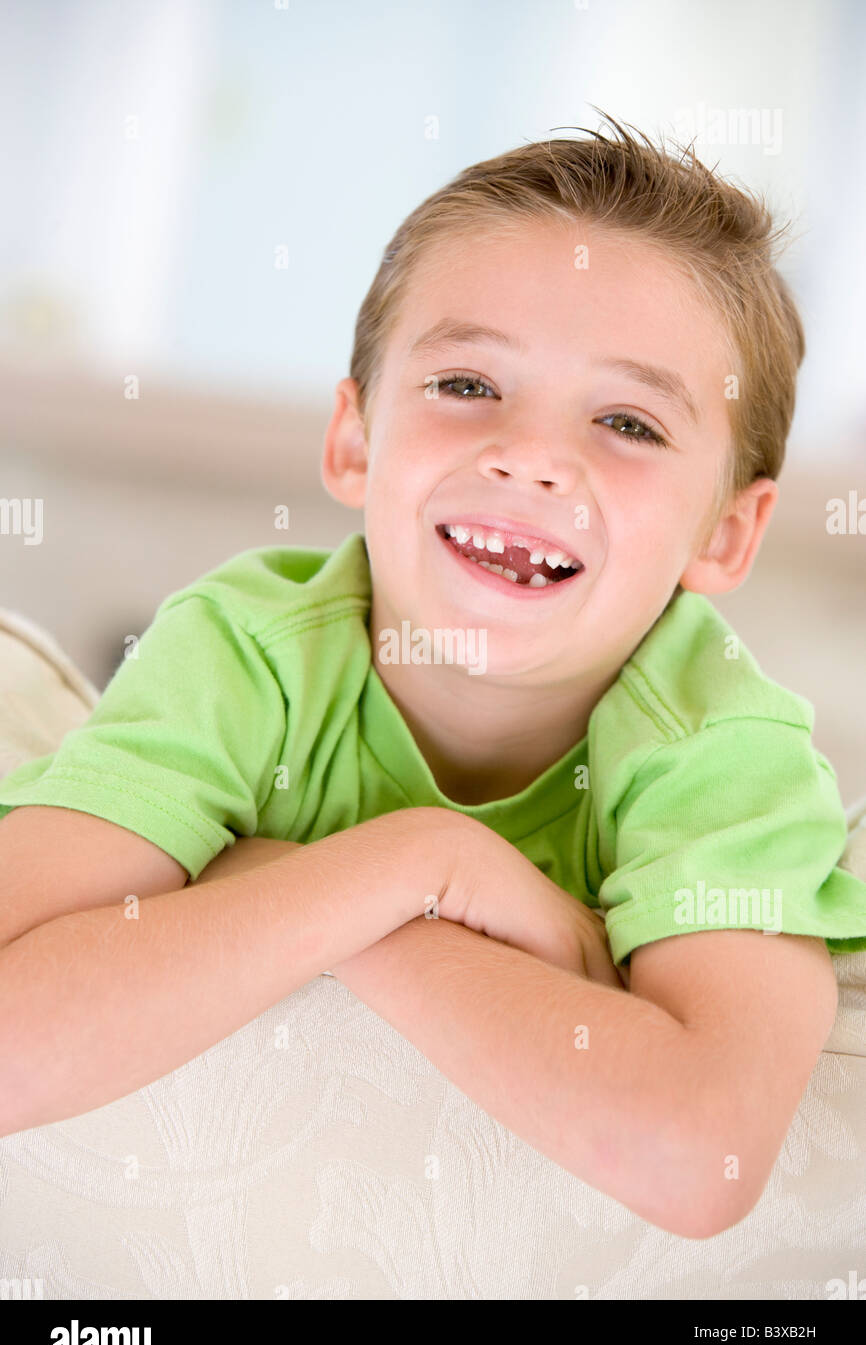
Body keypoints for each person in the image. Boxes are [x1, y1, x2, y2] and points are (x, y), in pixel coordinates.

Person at [1, 111, 864, 1240]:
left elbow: (705, 1155)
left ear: (724, 535)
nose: (532, 454)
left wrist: (338, 897)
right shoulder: (241, 653)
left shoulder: (723, 754)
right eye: (466, 384)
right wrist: (417, 860)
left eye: (625, 420)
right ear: (355, 441)